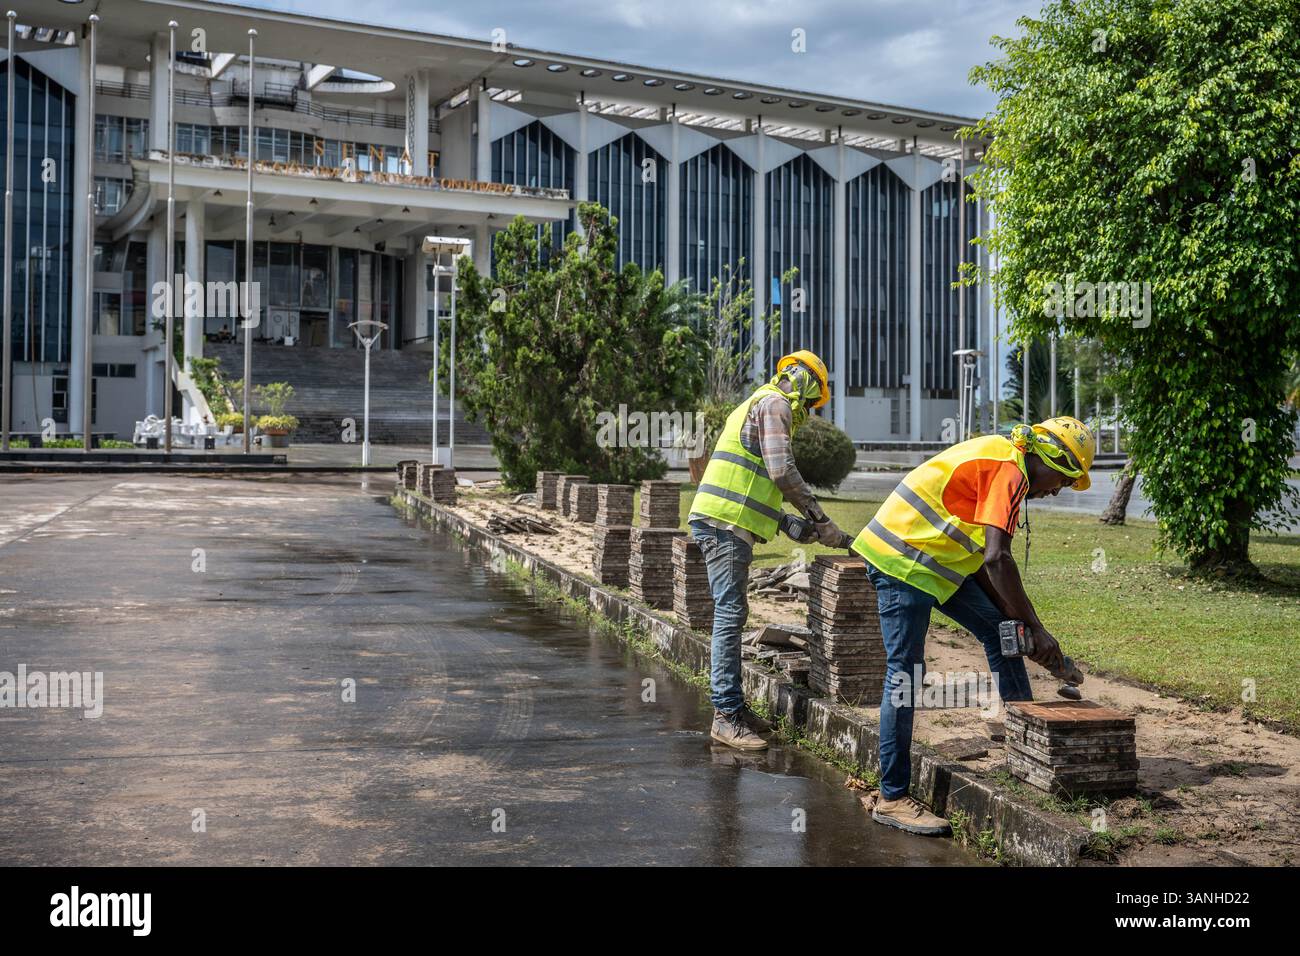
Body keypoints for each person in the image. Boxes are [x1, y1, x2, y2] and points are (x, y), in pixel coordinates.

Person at [849, 417, 1095, 835]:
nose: (1058, 490)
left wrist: (1019, 622)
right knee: (906, 674)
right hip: (903, 560)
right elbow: (998, 558)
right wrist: (1034, 624)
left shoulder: (1006, 461)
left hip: (934, 560)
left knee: (1001, 630)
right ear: (1048, 457)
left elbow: (982, 555)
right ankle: (891, 797)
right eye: (1064, 479)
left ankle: (1025, 737)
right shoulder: (1010, 470)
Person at [688, 350, 848, 751]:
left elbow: (749, 481)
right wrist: (820, 517)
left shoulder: (756, 401)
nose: (810, 413)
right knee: (729, 615)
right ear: (807, 386)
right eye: (812, 404)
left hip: (724, 521)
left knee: (732, 613)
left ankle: (735, 710)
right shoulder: (775, 404)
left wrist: (786, 522)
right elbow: (781, 471)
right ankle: (725, 716)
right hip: (725, 527)